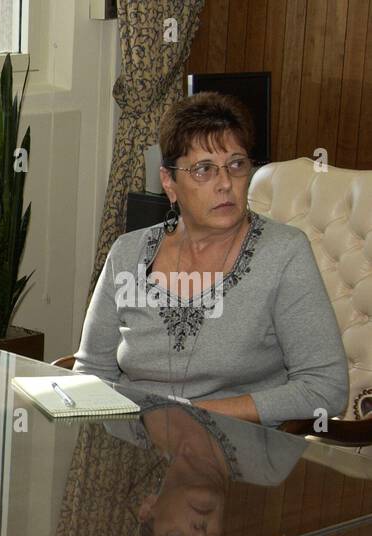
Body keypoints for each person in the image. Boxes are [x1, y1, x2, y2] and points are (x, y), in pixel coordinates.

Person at [74, 92, 347, 426]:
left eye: (236, 165)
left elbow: (326, 390)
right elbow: (92, 373)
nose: (225, 184)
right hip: (135, 451)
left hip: (241, 456)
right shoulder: (128, 253)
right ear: (169, 182)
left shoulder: (285, 253)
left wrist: (194, 416)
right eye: (204, 169)